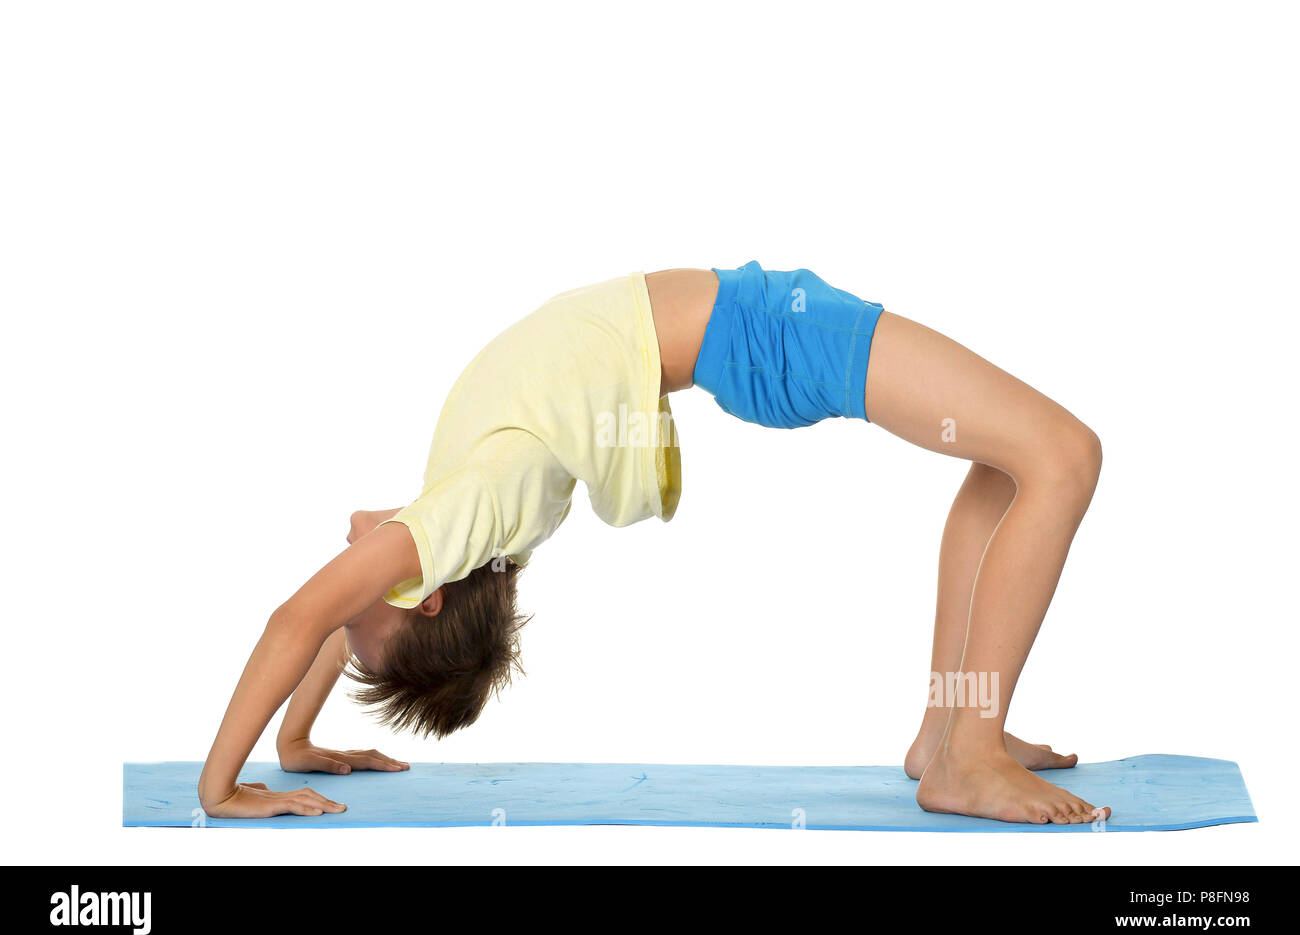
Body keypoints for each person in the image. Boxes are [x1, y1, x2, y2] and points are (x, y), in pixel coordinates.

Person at [198, 260, 1108, 825]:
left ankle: (947, 729)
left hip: (754, 330)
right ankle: (966, 757)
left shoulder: (462, 514)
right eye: (367, 617)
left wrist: (296, 737)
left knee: (1003, 464)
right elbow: (304, 615)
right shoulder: (465, 510)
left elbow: (325, 608)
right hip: (767, 334)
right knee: (1061, 456)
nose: (350, 588)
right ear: (427, 590)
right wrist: (220, 788)